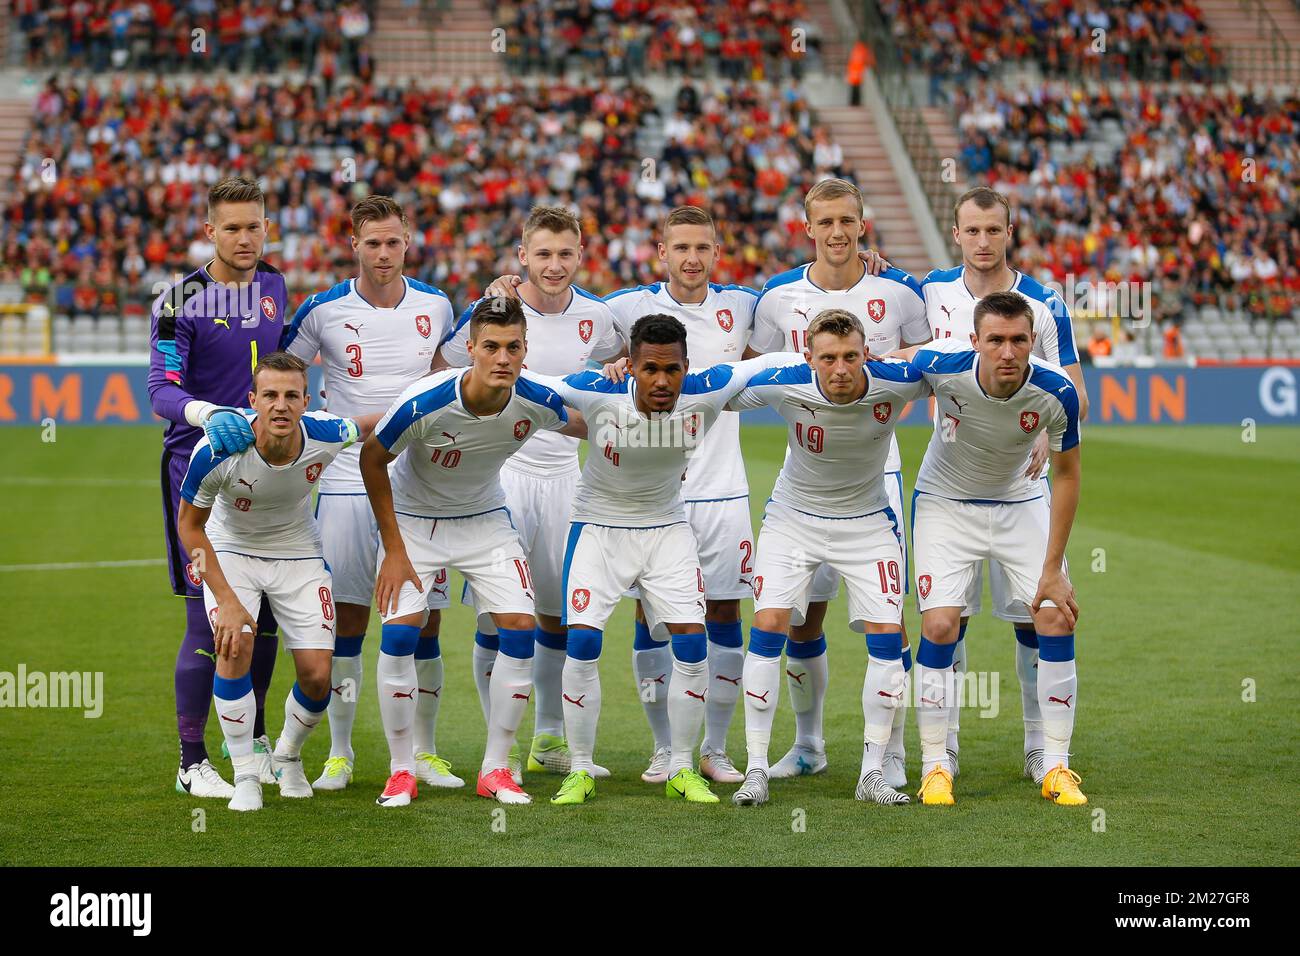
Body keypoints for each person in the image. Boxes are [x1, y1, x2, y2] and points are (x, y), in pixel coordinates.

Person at [530, 314, 784, 806]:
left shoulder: (705, 392)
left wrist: (835, 359)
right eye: (650, 369)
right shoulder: (597, 393)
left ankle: (682, 767)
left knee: (692, 641)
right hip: (598, 529)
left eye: (672, 370)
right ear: (631, 368)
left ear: (687, 367)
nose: (662, 381)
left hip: (667, 529)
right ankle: (579, 769)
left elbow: (772, 363)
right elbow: (532, 380)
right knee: (582, 640)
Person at [359, 296, 588, 807]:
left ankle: (496, 768)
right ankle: (401, 772)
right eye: (491, 347)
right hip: (416, 526)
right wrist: (393, 549)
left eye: (513, 347)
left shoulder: (536, 400)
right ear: (470, 349)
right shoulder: (425, 401)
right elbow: (373, 461)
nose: (502, 358)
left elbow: (593, 421)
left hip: (485, 520)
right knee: (399, 636)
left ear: (526, 351)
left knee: (521, 630)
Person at [743, 178, 930, 786]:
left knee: (887, 621)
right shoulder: (775, 297)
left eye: (847, 220)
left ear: (862, 223)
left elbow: (934, 369)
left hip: (877, 470)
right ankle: (808, 744)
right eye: (825, 223)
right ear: (809, 228)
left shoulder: (900, 291)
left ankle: (891, 754)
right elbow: (752, 370)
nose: (838, 233)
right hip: (807, 472)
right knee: (803, 620)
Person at [435, 205, 624, 782]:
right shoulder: (499, 312)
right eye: (542, 253)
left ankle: (546, 738)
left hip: (568, 480)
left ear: (581, 256)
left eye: (565, 253)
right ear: (521, 257)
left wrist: (617, 367)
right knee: (497, 618)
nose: (554, 264)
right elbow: (446, 360)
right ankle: (503, 748)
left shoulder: (598, 317)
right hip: (504, 475)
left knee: (558, 616)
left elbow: (625, 356)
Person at [280, 194, 458, 792]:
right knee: (349, 618)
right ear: (352, 243)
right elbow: (284, 375)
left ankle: (424, 753)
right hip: (346, 482)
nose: (383, 253)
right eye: (372, 242)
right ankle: (339, 752)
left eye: (393, 241)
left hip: (420, 484)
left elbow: (445, 372)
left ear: (408, 240)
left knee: (424, 620)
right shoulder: (321, 310)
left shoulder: (436, 305)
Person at [920, 185, 1090, 782]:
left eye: (994, 230)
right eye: (973, 230)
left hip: (1020, 482)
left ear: (1009, 231)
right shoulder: (930, 290)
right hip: (952, 476)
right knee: (948, 618)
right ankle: (945, 749)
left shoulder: (1043, 303)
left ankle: (1042, 746)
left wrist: (1044, 423)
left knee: (1035, 615)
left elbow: (1075, 391)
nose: (983, 242)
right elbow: (903, 354)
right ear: (958, 233)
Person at [176, 352, 378, 811]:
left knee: (317, 675)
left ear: (308, 401)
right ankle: (246, 773)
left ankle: (287, 756)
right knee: (235, 643)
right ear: (253, 401)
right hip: (231, 550)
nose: (281, 405)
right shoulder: (219, 450)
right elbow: (189, 526)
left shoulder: (326, 434)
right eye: (270, 395)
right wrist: (227, 601)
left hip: (298, 552)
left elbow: (370, 423)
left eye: (291, 395)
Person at [600, 205, 760, 785]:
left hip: (723, 491)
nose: (692, 258)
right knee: (652, 618)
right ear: (660, 252)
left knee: (722, 614)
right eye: (681, 248)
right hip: (654, 495)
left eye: (703, 248)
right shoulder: (624, 308)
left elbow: (807, 323)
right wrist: (506, 285)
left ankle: (714, 749)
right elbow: (561, 326)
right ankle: (666, 748)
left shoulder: (743, 306)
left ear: (717, 253)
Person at [147, 176, 288, 798]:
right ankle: (191, 759)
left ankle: (252, 741)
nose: (244, 236)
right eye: (231, 227)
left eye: (253, 224)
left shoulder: (276, 287)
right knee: (209, 623)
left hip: (267, 473)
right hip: (197, 474)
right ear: (209, 231)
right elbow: (161, 392)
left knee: (267, 618)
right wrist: (207, 414)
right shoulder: (179, 302)